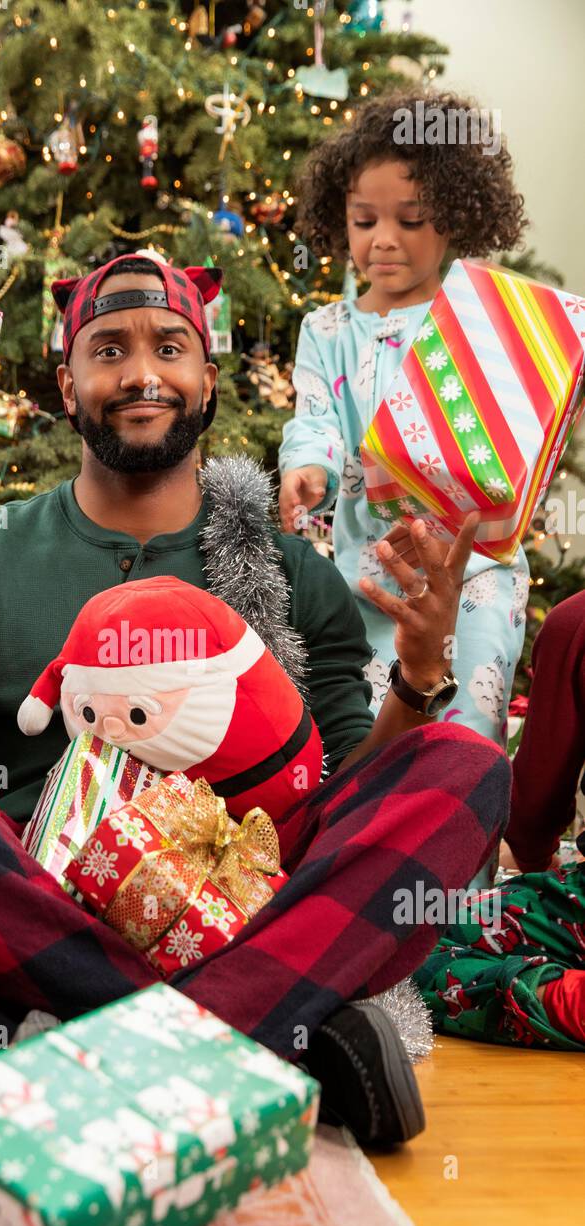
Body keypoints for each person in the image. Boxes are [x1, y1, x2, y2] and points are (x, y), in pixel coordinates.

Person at [0, 252, 510, 1147]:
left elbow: (345, 794)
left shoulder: (292, 571)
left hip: (253, 900)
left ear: (206, 376)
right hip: (38, 905)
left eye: (169, 346)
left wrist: (419, 673)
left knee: (464, 767)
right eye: (108, 349)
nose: (141, 373)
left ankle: (87, 1038)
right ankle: (261, 1032)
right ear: (66, 382)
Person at [278, 89, 531, 750]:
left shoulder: (476, 317)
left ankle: (464, 856)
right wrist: (308, 468)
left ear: (454, 219)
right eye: (364, 221)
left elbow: (519, 417)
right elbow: (316, 418)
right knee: (371, 748)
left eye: (411, 220)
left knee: (463, 739)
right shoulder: (327, 330)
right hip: (365, 586)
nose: (383, 240)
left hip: (475, 573)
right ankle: (373, 857)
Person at [414, 591, 585, 1049]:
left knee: (401, 938)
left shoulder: (576, 621)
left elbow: (539, 797)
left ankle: (550, 998)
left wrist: (529, 853)